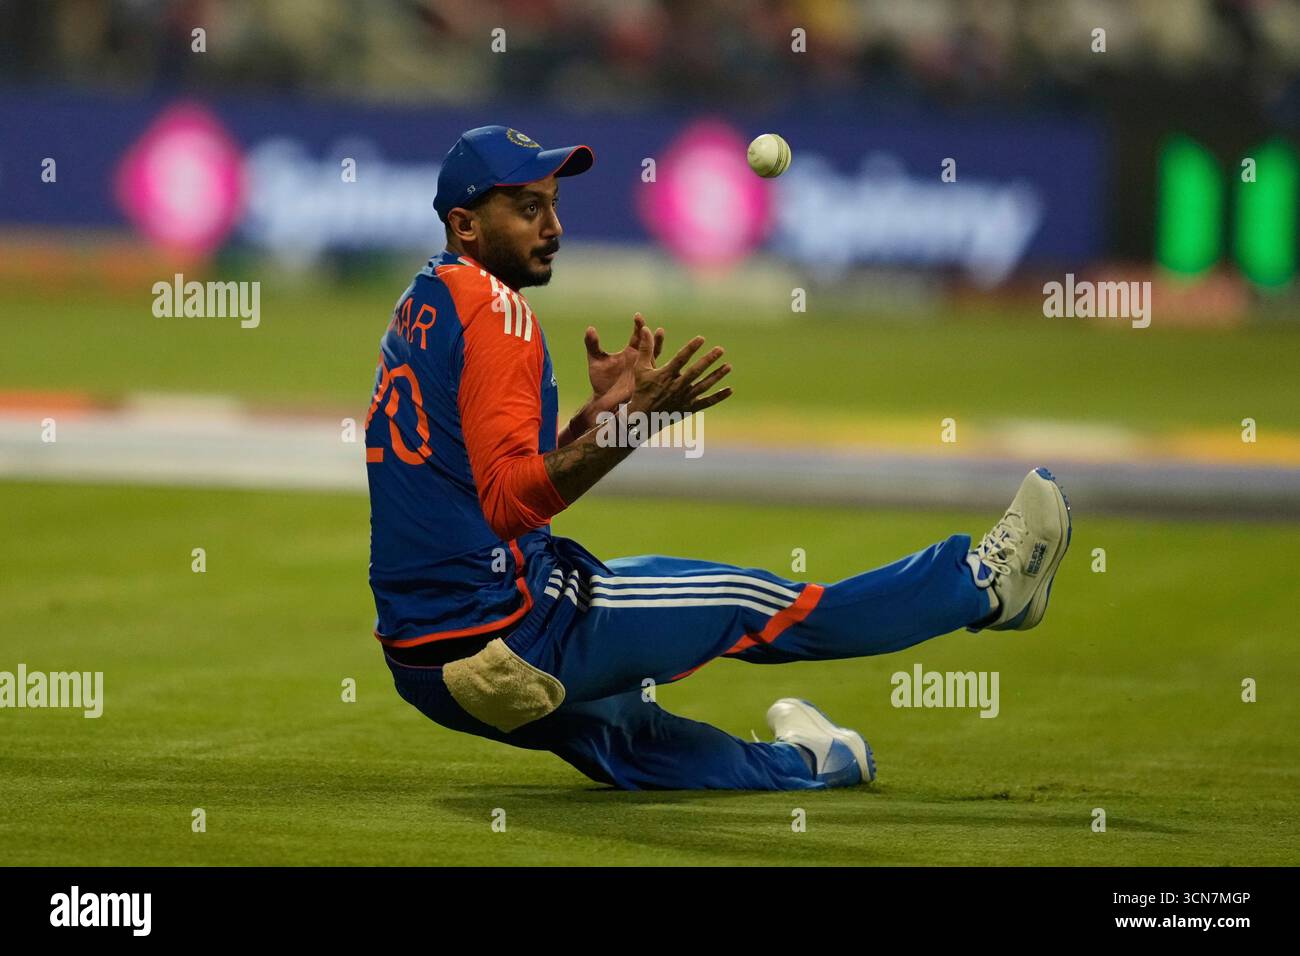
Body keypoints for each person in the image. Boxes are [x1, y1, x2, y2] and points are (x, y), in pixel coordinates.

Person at [364, 125, 1072, 791]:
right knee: (756, 606)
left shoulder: (425, 299)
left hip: (425, 663)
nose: (553, 227)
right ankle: (986, 586)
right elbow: (510, 502)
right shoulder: (498, 313)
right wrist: (636, 424)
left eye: (552, 204)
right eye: (528, 209)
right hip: (512, 633)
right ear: (466, 224)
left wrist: (594, 420)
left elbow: (471, 470)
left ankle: (816, 762)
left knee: (634, 742)